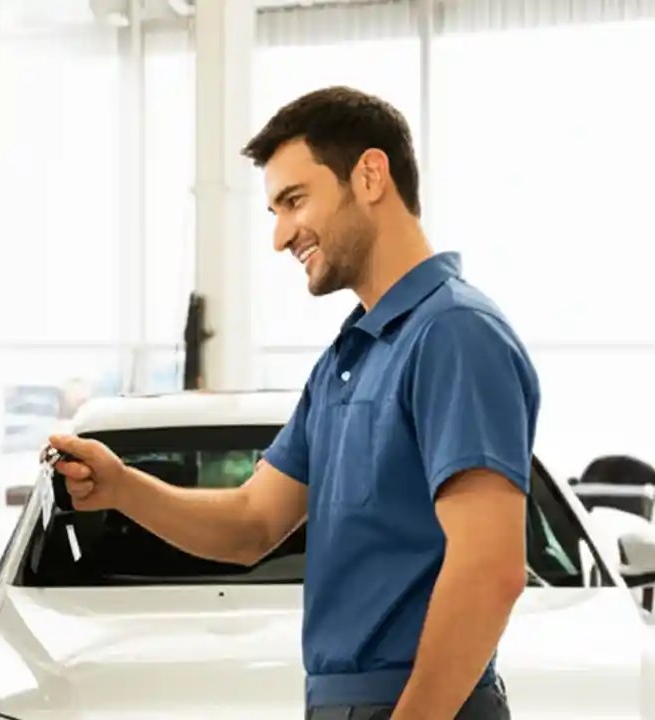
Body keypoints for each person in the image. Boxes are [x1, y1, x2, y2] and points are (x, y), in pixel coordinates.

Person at [49, 86, 537, 720]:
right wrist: (121, 487)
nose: (281, 236)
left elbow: (491, 569)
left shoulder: (454, 334)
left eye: (294, 201)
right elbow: (253, 523)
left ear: (369, 176)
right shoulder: (348, 358)